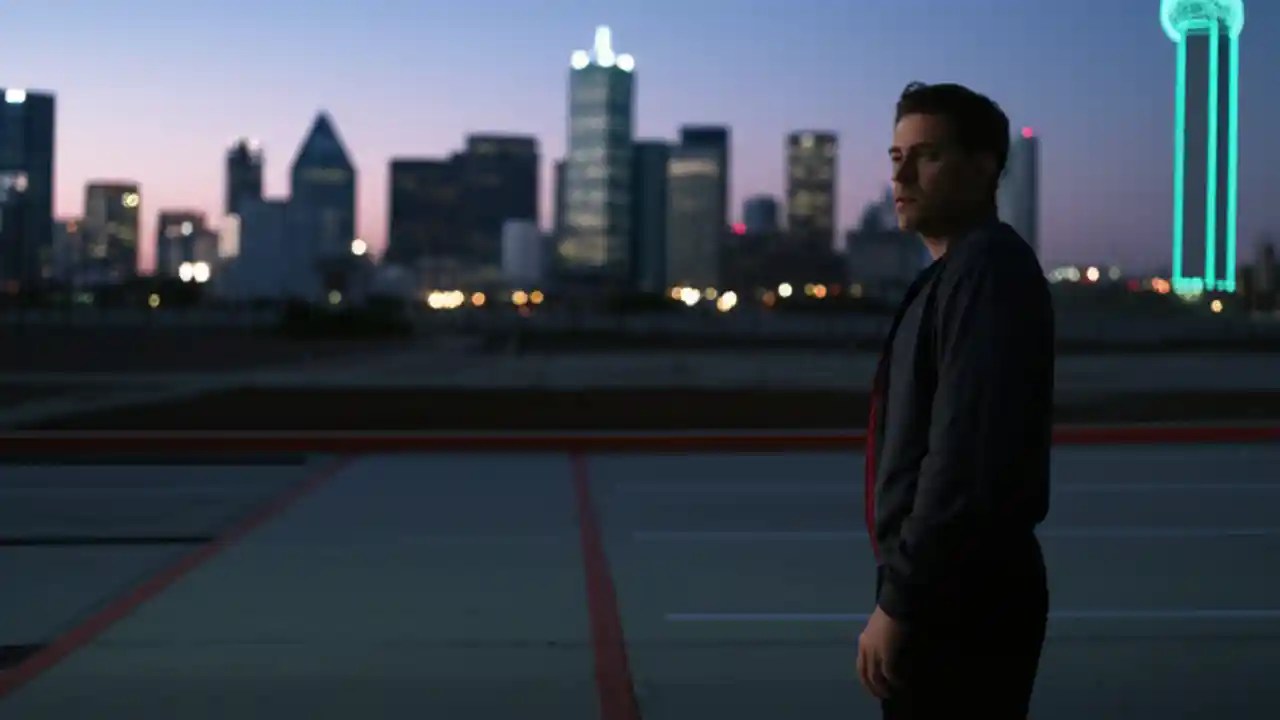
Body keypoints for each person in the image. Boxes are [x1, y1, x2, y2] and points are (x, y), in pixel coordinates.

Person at [856, 81, 1055, 719]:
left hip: (961, 600)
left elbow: (961, 461)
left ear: (986, 167)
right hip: (945, 589)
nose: (904, 174)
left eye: (929, 155)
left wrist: (900, 602)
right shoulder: (952, 275)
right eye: (896, 158)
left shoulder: (987, 269)